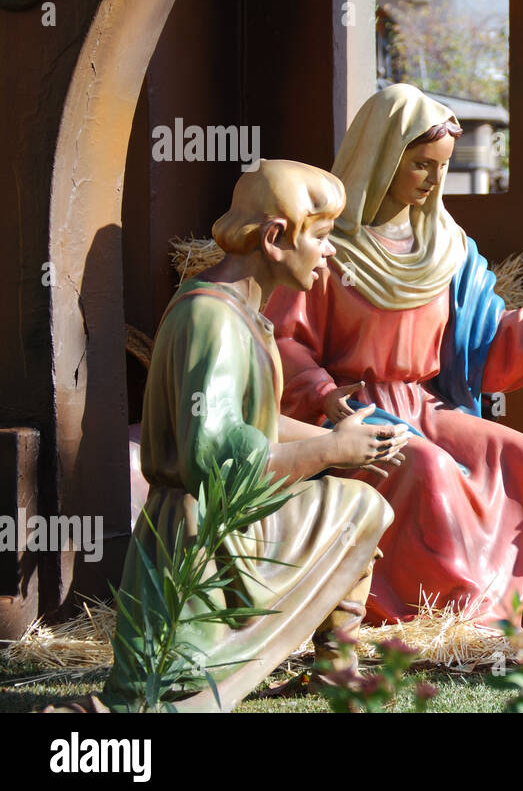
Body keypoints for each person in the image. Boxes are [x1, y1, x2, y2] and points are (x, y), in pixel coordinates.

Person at [266, 84, 523, 626]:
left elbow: (483, 342)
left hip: (423, 403)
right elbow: (283, 339)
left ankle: (521, 601)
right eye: (420, 165)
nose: (436, 180)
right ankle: (441, 610)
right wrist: (322, 393)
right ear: (382, 156)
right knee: (428, 468)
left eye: (442, 165)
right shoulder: (326, 249)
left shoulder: (447, 247)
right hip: (351, 410)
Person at [101, 159, 402, 712]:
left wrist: (334, 432)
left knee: (360, 504)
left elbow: (252, 424)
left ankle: (336, 669)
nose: (330, 251)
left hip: (228, 515)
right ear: (276, 238)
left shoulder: (238, 310)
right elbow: (211, 456)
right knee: (170, 697)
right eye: (322, 235)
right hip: (205, 537)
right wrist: (328, 451)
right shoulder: (210, 319)